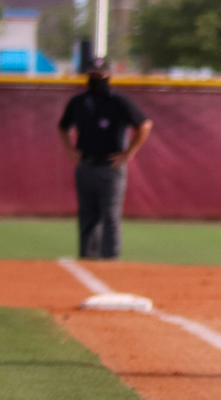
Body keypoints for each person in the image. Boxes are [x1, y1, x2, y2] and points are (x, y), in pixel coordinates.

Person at [57, 65, 152, 260]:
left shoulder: (118, 100)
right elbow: (63, 126)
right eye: (92, 75)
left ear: (108, 76)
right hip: (86, 164)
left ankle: (111, 259)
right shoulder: (79, 102)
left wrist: (129, 152)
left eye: (99, 75)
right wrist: (69, 149)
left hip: (111, 166)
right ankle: (88, 257)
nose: (96, 79)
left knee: (110, 216)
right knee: (87, 215)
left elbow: (144, 124)